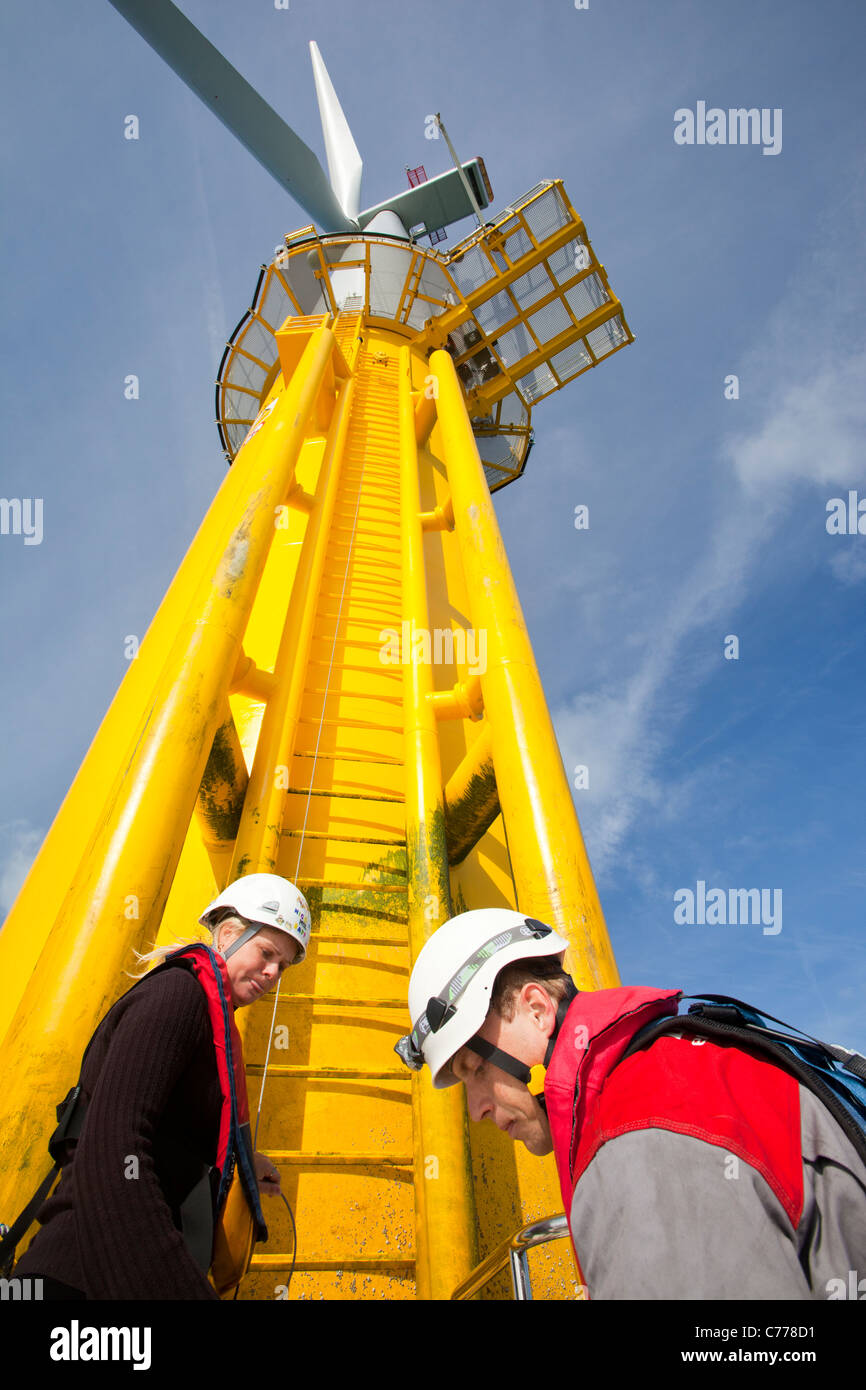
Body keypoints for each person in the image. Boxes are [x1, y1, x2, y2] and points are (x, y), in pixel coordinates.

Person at [395, 908, 866, 1300]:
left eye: (475, 1069)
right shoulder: (674, 1068)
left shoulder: (639, 1134)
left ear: (536, 1010)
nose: (475, 1108)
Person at [11, 872, 310, 1300]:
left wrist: (236, 1162)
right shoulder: (178, 996)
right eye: (266, 953)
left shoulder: (208, 1016)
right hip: (83, 1274)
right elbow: (114, 1153)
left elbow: (159, 1133)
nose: (271, 973)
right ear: (227, 933)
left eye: (281, 966)